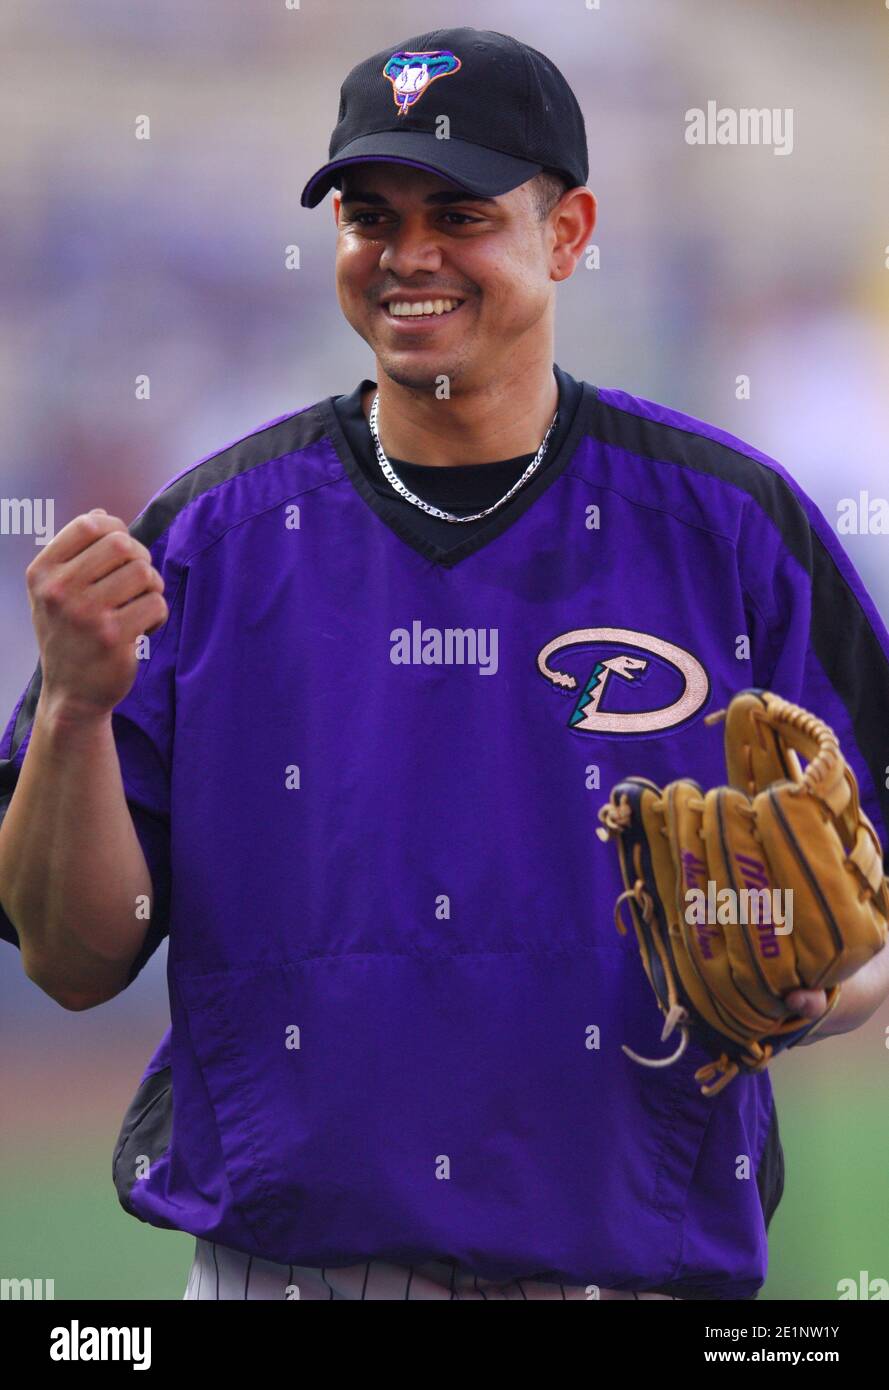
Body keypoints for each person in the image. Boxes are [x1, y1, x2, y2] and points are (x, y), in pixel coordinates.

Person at [1, 25, 888, 1302]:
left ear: (568, 234)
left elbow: (864, 913)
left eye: (459, 212)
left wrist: (822, 981)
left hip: (630, 1274)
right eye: (371, 215)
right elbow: (72, 961)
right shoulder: (209, 537)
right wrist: (79, 712)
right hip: (291, 1276)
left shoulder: (731, 526)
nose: (407, 255)